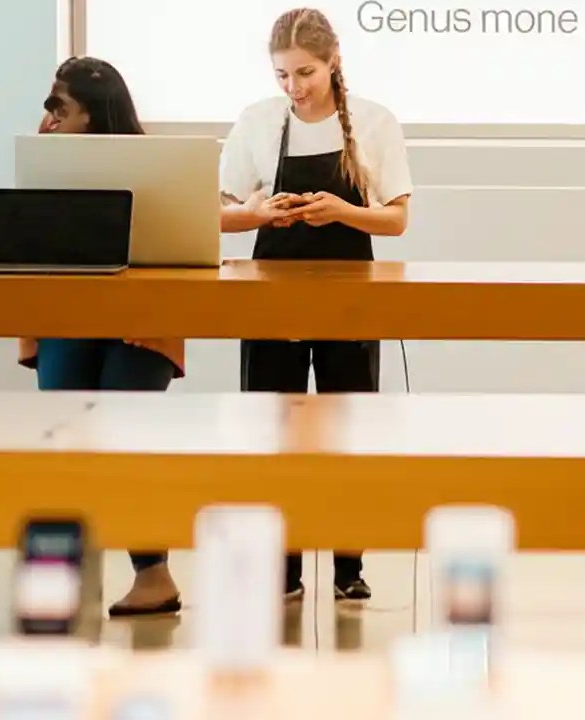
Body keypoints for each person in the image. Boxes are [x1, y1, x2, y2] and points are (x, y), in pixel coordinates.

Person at [222, 6, 413, 603]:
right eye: (282, 75)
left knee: (345, 433)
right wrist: (257, 214)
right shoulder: (256, 121)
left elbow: (398, 219)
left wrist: (343, 212)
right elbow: (218, 213)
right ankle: (281, 572)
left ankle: (347, 568)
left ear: (333, 62)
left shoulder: (377, 123)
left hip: (350, 297)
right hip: (270, 297)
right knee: (273, 433)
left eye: (305, 73)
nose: (293, 87)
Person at [22, 57, 187, 617]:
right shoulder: (44, 160)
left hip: (139, 324)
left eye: (58, 109)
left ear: (91, 117)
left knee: (127, 442)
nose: (48, 121)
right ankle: (61, 574)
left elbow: (181, 236)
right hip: (68, 317)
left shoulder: (155, 164)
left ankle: (153, 574)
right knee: (63, 443)